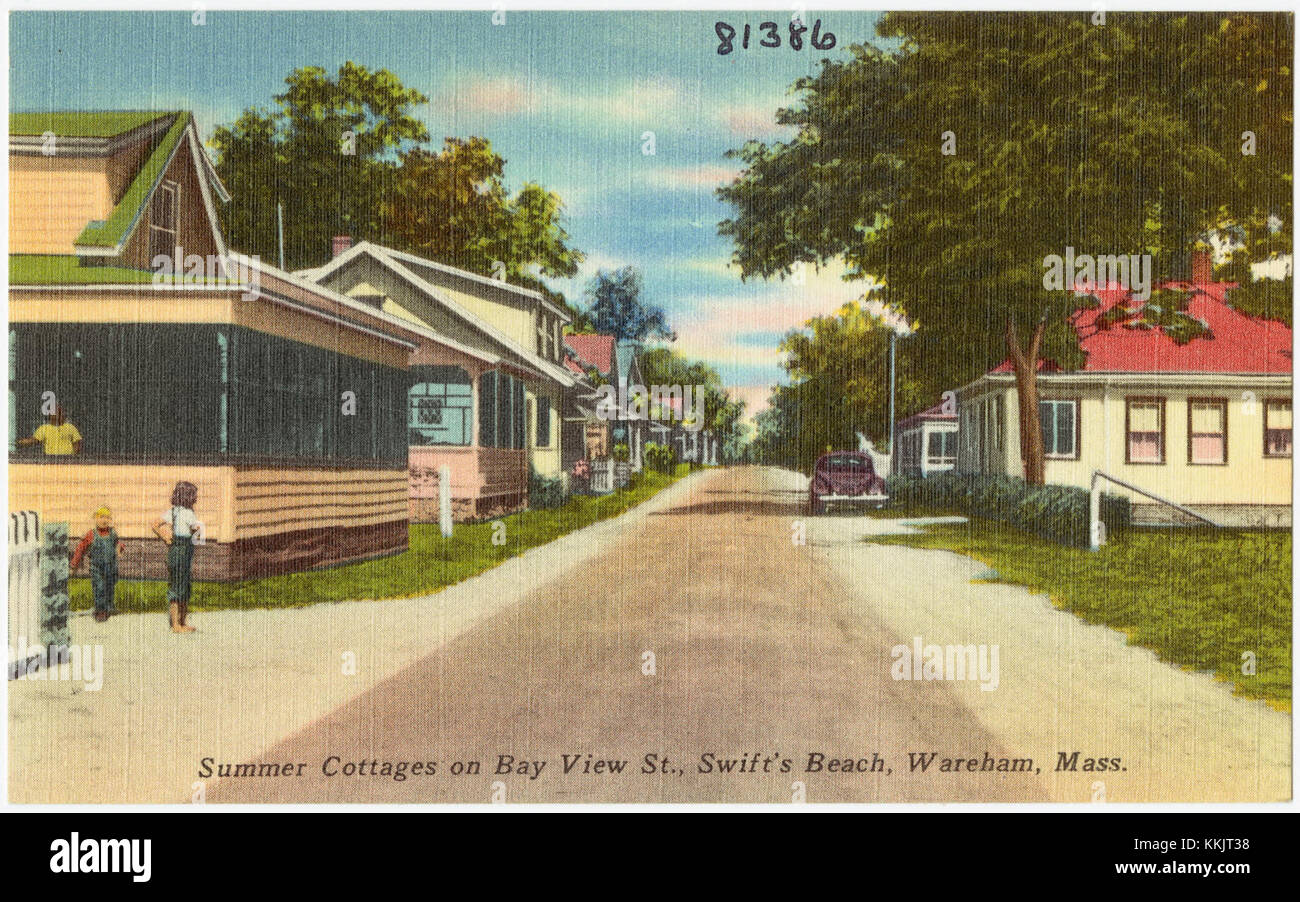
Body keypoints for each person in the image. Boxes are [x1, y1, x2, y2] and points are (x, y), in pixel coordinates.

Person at [152, 481, 201, 634]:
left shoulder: (173, 512)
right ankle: (176, 624)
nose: (195, 498)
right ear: (188, 497)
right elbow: (195, 530)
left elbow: (155, 525)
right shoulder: (188, 513)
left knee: (183, 585)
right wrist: (197, 531)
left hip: (180, 551)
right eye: (194, 495)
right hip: (181, 550)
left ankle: (182, 622)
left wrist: (166, 537)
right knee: (179, 587)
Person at [71, 506, 125, 622]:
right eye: (101, 517)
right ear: (96, 519)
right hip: (97, 568)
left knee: (110, 588)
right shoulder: (91, 534)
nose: (104, 520)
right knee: (99, 588)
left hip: (111, 567)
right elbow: (80, 549)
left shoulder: (113, 533)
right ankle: (100, 611)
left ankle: (109, 608)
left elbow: (118, 543)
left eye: (107, 517)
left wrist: (120, 548)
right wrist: (73, 565)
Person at [17, 406, 82, 455]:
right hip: (50, 460)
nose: (61, 415)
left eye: (61, 413)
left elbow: (77, 443)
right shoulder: (44, 428)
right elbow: (33, 440)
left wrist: (74, 457)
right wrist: (20, 442)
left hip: (68, 460)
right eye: (58, 413)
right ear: (51, 416)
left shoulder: (70, 427)